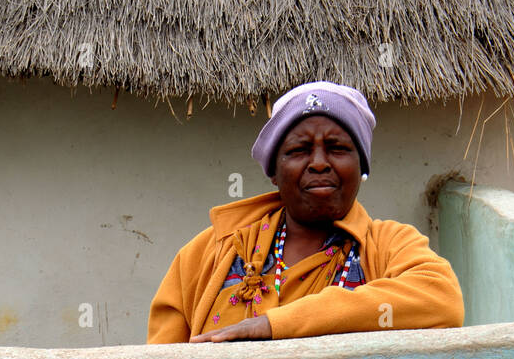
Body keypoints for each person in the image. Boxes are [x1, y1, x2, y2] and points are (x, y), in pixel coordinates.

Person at [147, 81, 464, 343]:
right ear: (274, 171)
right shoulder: (211, 252)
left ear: (361, 166)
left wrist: (275, 325)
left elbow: (442, 299)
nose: (319, 163)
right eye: (298, 151)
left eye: (337, 148)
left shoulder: (389, 244)